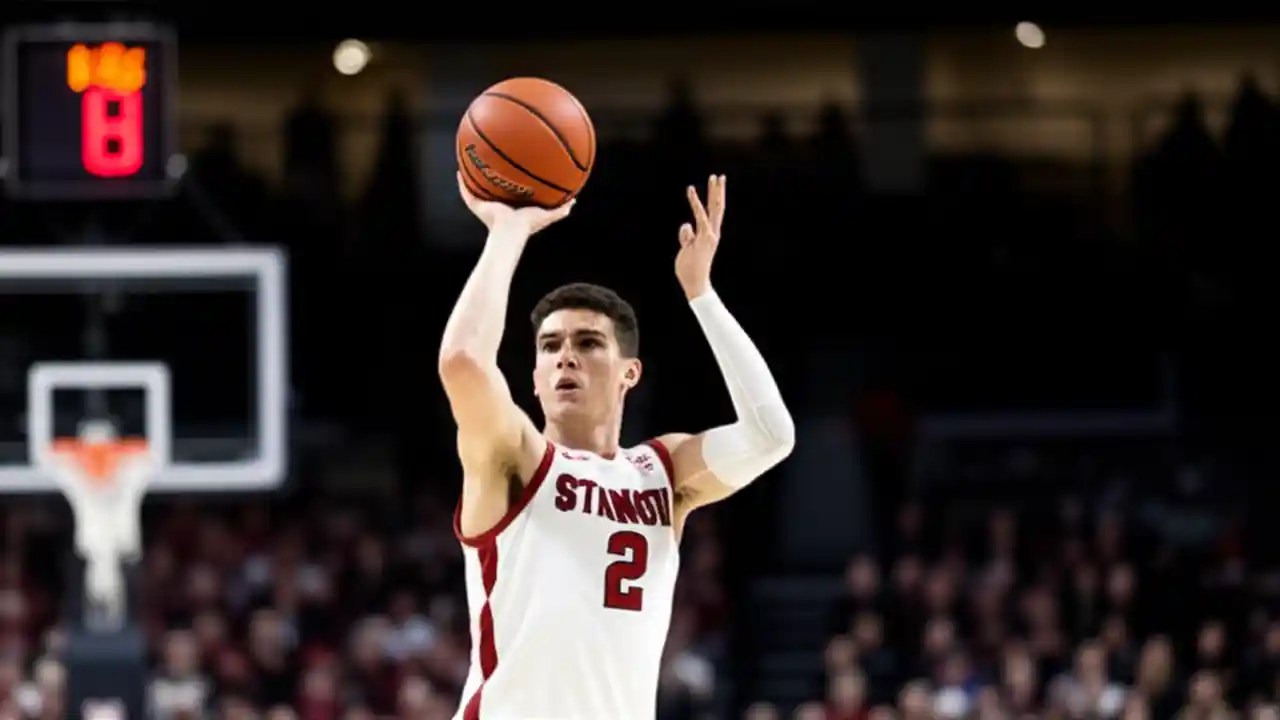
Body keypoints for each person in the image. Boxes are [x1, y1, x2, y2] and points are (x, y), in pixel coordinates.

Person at [440, 172, 795, 720]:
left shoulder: (662, 472)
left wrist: (701, 294)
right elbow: (463, 363)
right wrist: (507, 232)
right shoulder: (517, 457)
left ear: (630, 373)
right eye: (550, 346)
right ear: (533, 377)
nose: (565, 357)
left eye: (587, 343)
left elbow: (771, 436)